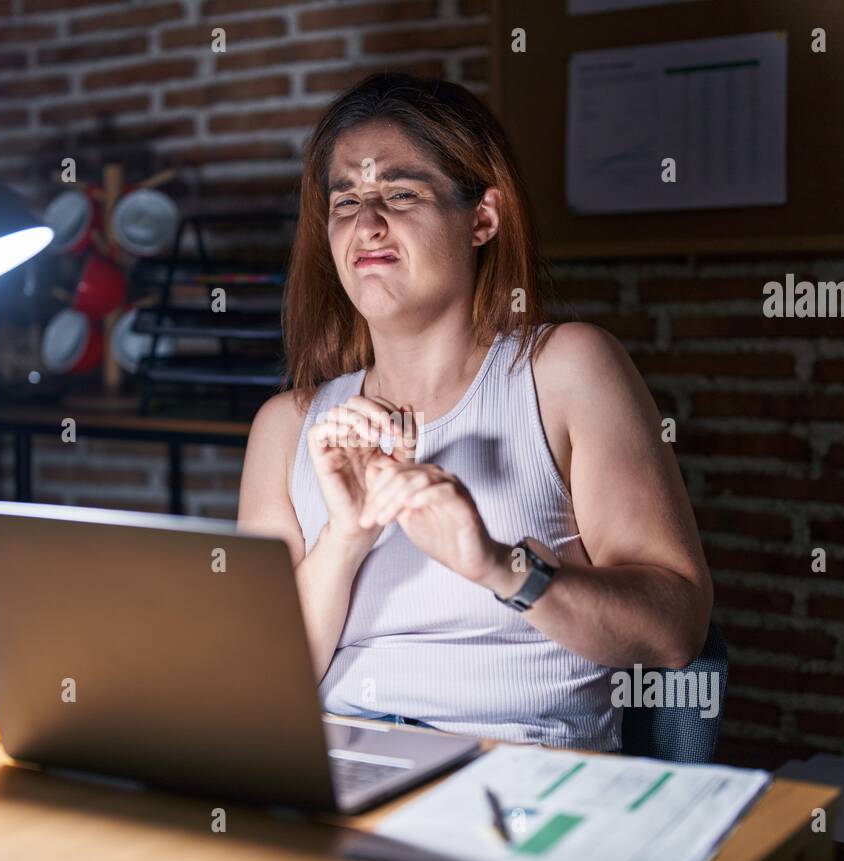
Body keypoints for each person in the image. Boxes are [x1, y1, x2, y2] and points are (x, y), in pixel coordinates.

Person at [238, 73, 712, 751]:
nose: (366, 223)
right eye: (346, 200)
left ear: (482, 218)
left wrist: (498, 565)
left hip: (518, 774)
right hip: (336, 765)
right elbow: (263, 681)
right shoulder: (287, 426)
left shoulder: (566, 370)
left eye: (400, 194)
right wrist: (344, 537)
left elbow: (674, 632)